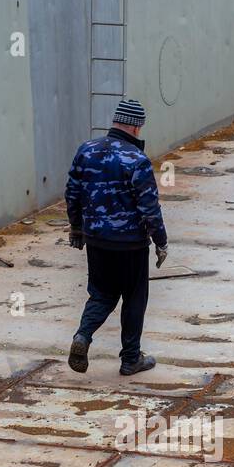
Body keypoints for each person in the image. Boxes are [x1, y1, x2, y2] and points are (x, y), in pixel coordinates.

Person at [65, 98, 169, 376]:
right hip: (131, 244)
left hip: (97, 240)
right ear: (136, 128)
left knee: (101, 294)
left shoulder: (85, 150)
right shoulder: (137, 160)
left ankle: (83, 336)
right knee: (134, 298)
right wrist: (161, 240)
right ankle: (130, 359)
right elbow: (149, 208)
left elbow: (72, 193)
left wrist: (77, 227)